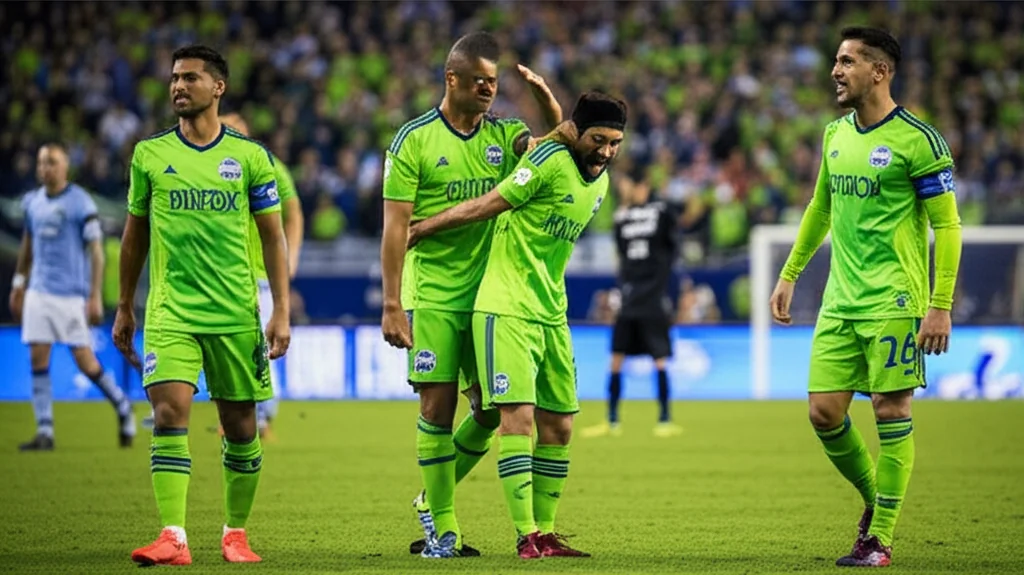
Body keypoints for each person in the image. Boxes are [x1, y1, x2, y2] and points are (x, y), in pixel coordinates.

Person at [770, 27, 962, 568]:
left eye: (847, 61)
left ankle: (878, 538)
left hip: (895, 302)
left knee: (890, 408)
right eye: (836, 60)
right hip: (839, 302)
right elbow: (820, 209)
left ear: (879, 71)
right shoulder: (835, 134)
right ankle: (876, 500)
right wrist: (790, 274)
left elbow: (948, 227)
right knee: (824, 413)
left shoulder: (919, 141)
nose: (836, 70)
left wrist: (940, 302)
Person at [407, 91, 628, 559]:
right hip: (504, 306)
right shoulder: (547, 159)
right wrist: (423, 227)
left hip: (551, 312)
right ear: (577, 134)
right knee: (516, 418)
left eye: (615, 143)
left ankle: (545, 531)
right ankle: (526, 535)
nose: (606, 151)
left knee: (561, 426)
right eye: (598, 139)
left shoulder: (601, 184)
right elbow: (488, 203)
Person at [379, 31, 562, 558]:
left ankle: (430, 500)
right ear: (451, 78)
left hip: (490, 297)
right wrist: (392, 303)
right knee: (436, 407)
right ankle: (445, 527)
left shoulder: (506, 136)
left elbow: (557, 148)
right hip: (433, 292)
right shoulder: (413, 140)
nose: (488, 88)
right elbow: (395, 228)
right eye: (478, 80)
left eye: (494, 81)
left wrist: (546, 97)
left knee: (489, 410)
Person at [113, 45, 291, 566]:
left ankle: (235, 533)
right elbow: (133, 237)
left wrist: (280, 308)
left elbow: (274, 238)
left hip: (236, 312)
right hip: (171, 312)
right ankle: (173, 536)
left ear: (219, 87)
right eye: (173, 78)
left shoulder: (251, 158)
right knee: (170, 413)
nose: (177, 86)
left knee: (241, 428)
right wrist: (125, 304)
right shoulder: (149, 155)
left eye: (190, 77)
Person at [10, 143, 136, 451]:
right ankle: (45, 432)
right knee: (37, 358)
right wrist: (18, 283)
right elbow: (27, 247)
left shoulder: (80, 202)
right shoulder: (33, 203)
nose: (45, 168)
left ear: (65, 167)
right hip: (39, 291)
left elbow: (96, 253)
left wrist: (94, 295)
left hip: (70, 295)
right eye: (41, 162)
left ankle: (122, 406)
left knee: (85, 361)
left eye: (51, 162)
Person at [221, 112, 303, 441]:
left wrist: (291, 258)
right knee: (232, 349)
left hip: (261, 276)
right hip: (227, 275)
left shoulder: (269, 164)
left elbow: (294, 212)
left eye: (238, 129)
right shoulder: (216, 168)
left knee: (260, 347)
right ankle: (239, 418)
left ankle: (264, 417)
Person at [581, 177, 684, 439]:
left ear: (644, 186)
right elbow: (670, 240)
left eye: (631, 185)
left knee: (645, 360)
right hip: (639, 300)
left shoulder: (638, 215)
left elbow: (631, 247)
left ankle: (658, 419)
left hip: (641, 300)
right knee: (627, 359)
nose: (627, 189)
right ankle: (620, 419)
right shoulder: (642, 214)